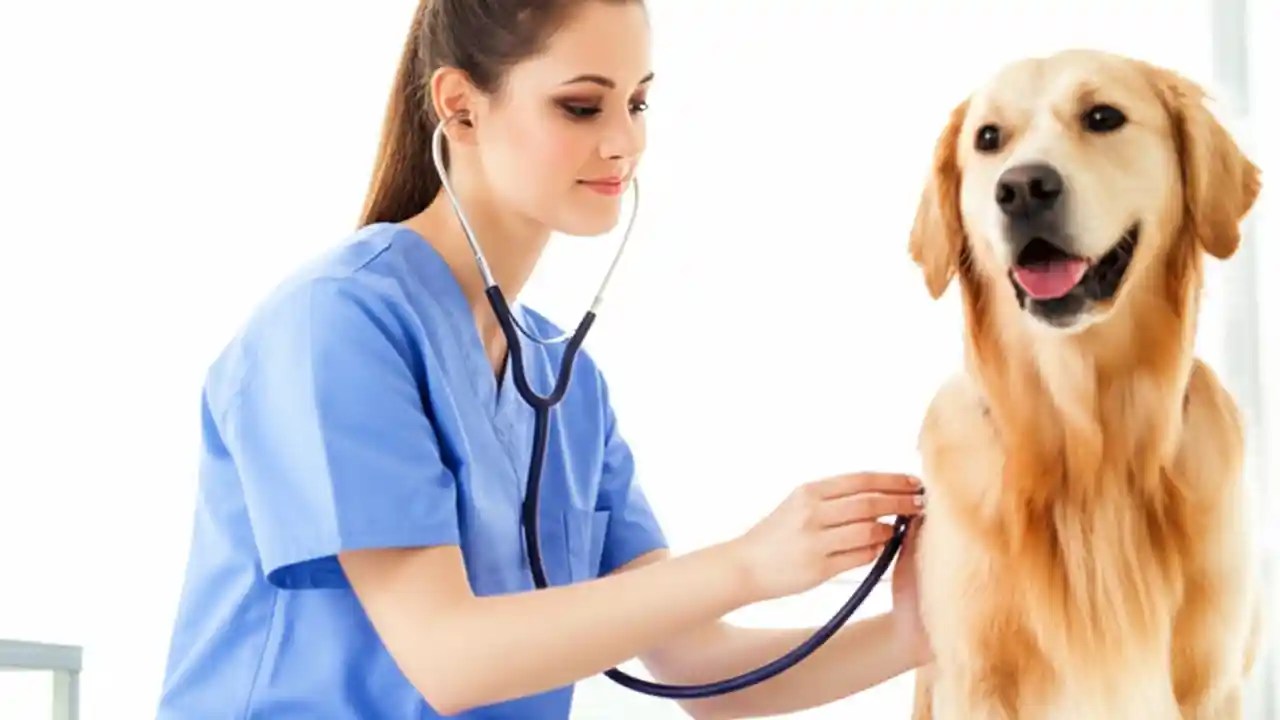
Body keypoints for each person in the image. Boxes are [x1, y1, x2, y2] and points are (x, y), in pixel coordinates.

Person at [156, 0, 930, 717]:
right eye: (582, 105)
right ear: (460, 107)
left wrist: (918, 633)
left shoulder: (569, 387)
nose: (624, 141)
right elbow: (447, 655)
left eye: (638, 102)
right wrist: (749, 563)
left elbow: (699, 669)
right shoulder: (336, 323)